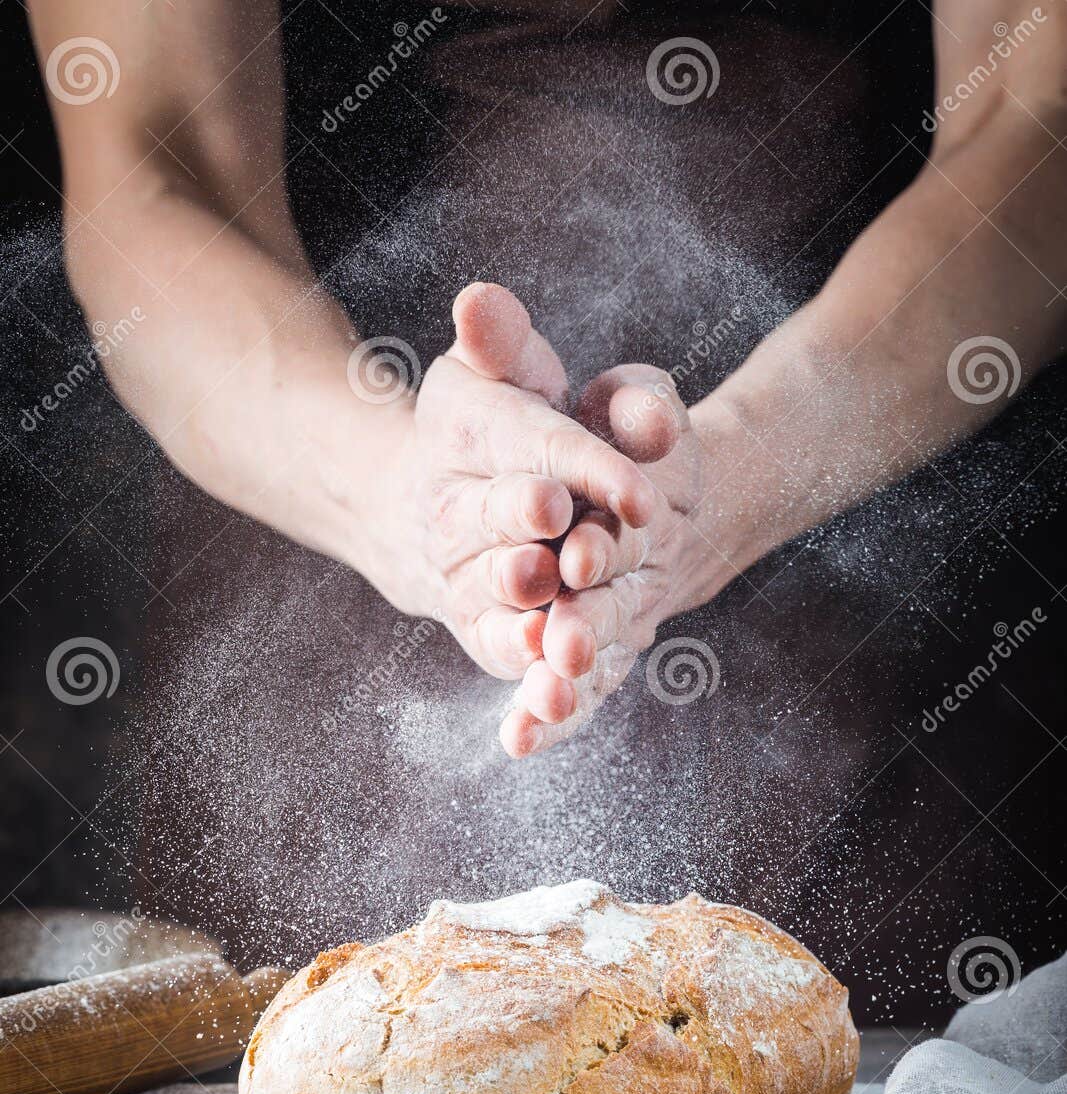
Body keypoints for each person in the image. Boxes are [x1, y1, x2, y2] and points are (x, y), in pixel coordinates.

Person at [28, 0, 1067, 765]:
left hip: (882, 653)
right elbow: (156, 173)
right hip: (315, 558)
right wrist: (411, 500)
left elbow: (1032, 127)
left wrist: (725, 475)